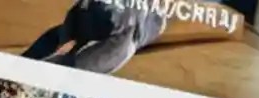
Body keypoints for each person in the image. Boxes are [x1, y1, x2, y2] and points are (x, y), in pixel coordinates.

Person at [21, 0, 166, 74]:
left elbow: (73, 70)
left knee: (69, 67)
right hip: (102, 20)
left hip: (118, 32)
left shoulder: (122, 44)